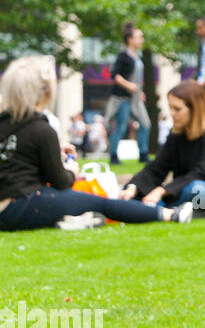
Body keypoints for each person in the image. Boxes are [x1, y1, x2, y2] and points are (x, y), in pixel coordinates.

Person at [0, 56, 192, 231]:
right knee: (101, 203)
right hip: (23, 204)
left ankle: (70, 220)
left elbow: (16, 156)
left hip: (6, 205)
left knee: (69, 203)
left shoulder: (5, 123)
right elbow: (61, 181)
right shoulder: (41, 129)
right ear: (47, 92)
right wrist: (72, 170)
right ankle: (169, 215)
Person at [120, 80, 205, 218]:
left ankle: (162, 210)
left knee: (197, 188)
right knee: (132, 190)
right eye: (170, 108)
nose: (172, 113)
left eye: (177, 109)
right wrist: (133, 187)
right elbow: (157, 168)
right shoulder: (177, 135)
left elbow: (204, 174)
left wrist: (162, 190)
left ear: (195, 109)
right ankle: (164, 211)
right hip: (181, 191)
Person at [105, 23, 152, 165]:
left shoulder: (138, 57)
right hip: (122, 98)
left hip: (136, 99)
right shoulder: (123, 56)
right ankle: (113, 156)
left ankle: (143, 154)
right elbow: (115, 75)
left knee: (146, 123)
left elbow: (137, 78)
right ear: (130, 39)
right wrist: (128, 85)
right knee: (121, 126)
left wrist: (140, 91)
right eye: (139, 36)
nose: (142, 39)